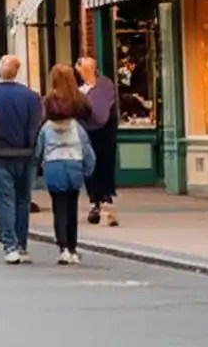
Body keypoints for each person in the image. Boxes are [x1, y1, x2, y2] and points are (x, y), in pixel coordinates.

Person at [0, 54, 43, 265]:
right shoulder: (32, 97)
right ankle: (22, 244)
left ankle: (10, 245)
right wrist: (32, 149)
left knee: (5, 201)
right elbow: (36, 126)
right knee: (23, 200)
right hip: (25, 155)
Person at [36, 64, 97, 266]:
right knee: (72, 206)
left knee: (58, 207)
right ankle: (72, 247)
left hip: (54, 165)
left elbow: (38, 149)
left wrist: (37, 166)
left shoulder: (46, 127)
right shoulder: (77, 127)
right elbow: (87, 150)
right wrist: (88, 169)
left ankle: (63, 247)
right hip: (74, 164)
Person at [76, 57, 119, 227]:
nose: (82, 72)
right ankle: (96, 204)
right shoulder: (81, 89)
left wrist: (83, 112)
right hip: (86, 136)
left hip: (104, 136)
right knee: (89, 170)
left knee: (103, 167)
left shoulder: (104, 85)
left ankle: (105, 203)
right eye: (81, 69)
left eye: (85, 68)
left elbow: (100, 116)